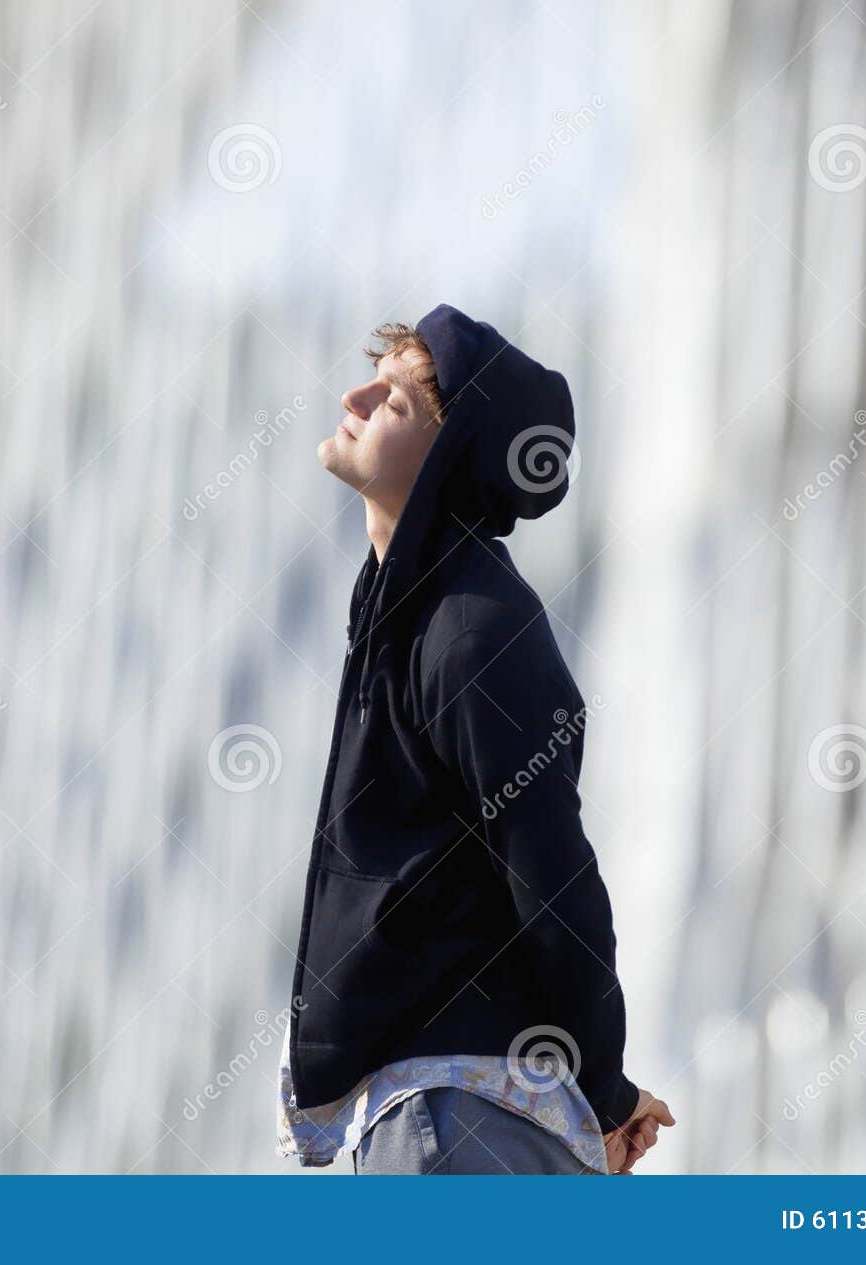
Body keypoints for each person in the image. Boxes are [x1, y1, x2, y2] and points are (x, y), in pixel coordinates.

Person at [277, 305, 673, 1175]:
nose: (356, 393)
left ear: (452, 458)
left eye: (396, 400)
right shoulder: (409, 615)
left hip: (461, 1125)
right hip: (445, 1118)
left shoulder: (470, 631)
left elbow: (553, 874)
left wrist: (602, 1088)